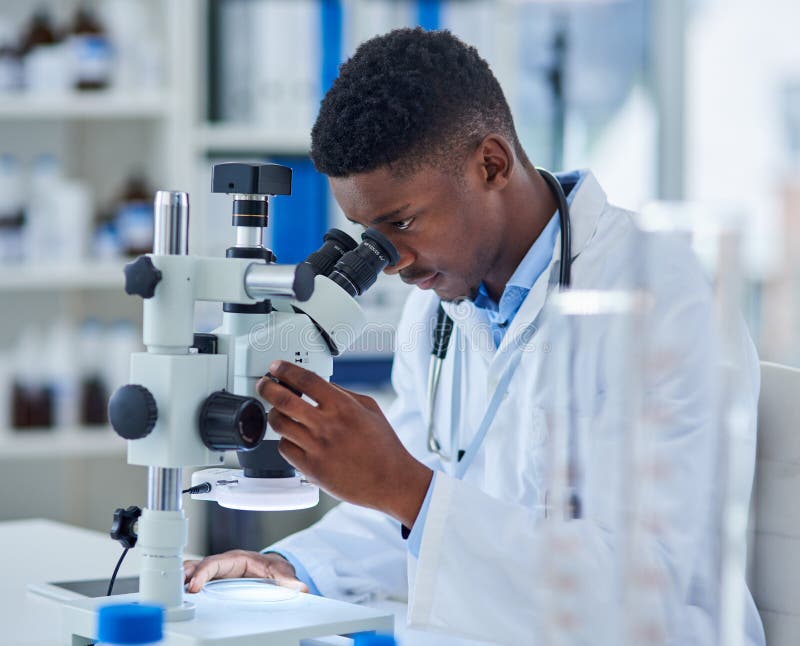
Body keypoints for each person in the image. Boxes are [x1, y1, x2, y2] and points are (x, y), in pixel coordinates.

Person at [184, 28, 765, 645]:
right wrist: (291, 564)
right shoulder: (437, 310)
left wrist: (404, 487)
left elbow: (650, 591)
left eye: (402, 222)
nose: (392, 262)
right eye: (368, 234)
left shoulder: (657, 294)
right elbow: (411, 519)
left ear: (491, 164)